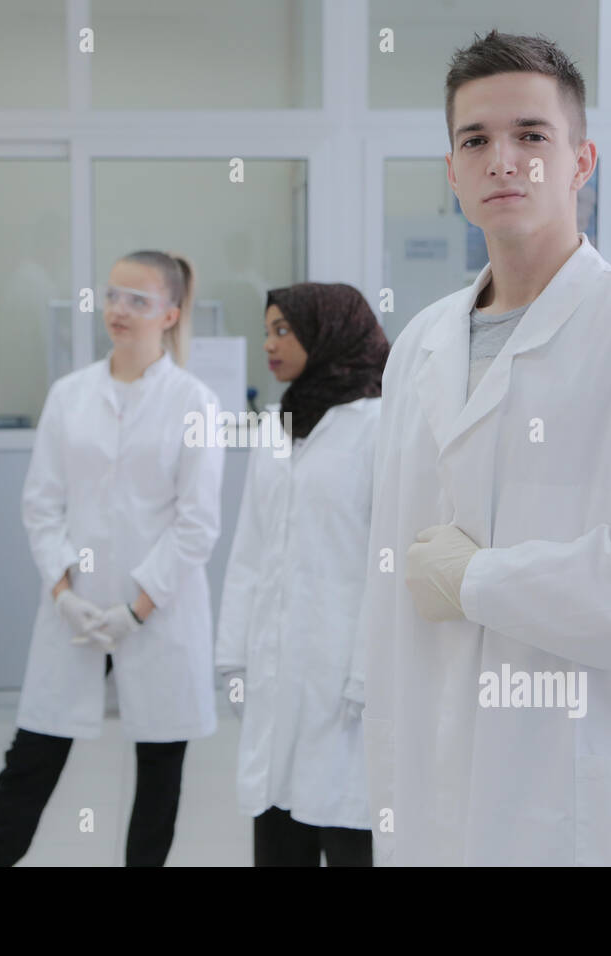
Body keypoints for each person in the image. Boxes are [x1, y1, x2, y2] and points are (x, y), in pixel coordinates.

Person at [358, 30, 611, 866]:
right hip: (440, 791)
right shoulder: (421, 345)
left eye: (532, 135)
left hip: (591, 790)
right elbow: (395, 585)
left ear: (582, 161)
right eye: (476, 140)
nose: (504, 159)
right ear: (453, 171)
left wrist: (480, 581)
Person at [0, 250, 224, 867]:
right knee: (34, 750)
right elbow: (42, 504)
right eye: (112, 296)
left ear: (170, 312)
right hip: (75, 606)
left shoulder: (194, 403)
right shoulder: (69, 395)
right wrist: (64, 594)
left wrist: (136, 610)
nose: (118, 310)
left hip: (157, 611)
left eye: (137, 300)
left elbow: (197, 524)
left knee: (160, 762)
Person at [216, 283, 389, 867]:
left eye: (283, 330)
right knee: (277, 827)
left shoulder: (379, 423)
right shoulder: (278, 424)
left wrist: (368, 672)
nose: (269, 344)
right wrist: (235, 654)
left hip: (345, 677)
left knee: (346, 828)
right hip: (276, 665)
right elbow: (251, 547)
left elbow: (384, 561)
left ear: (329, 332)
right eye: (267, 331)